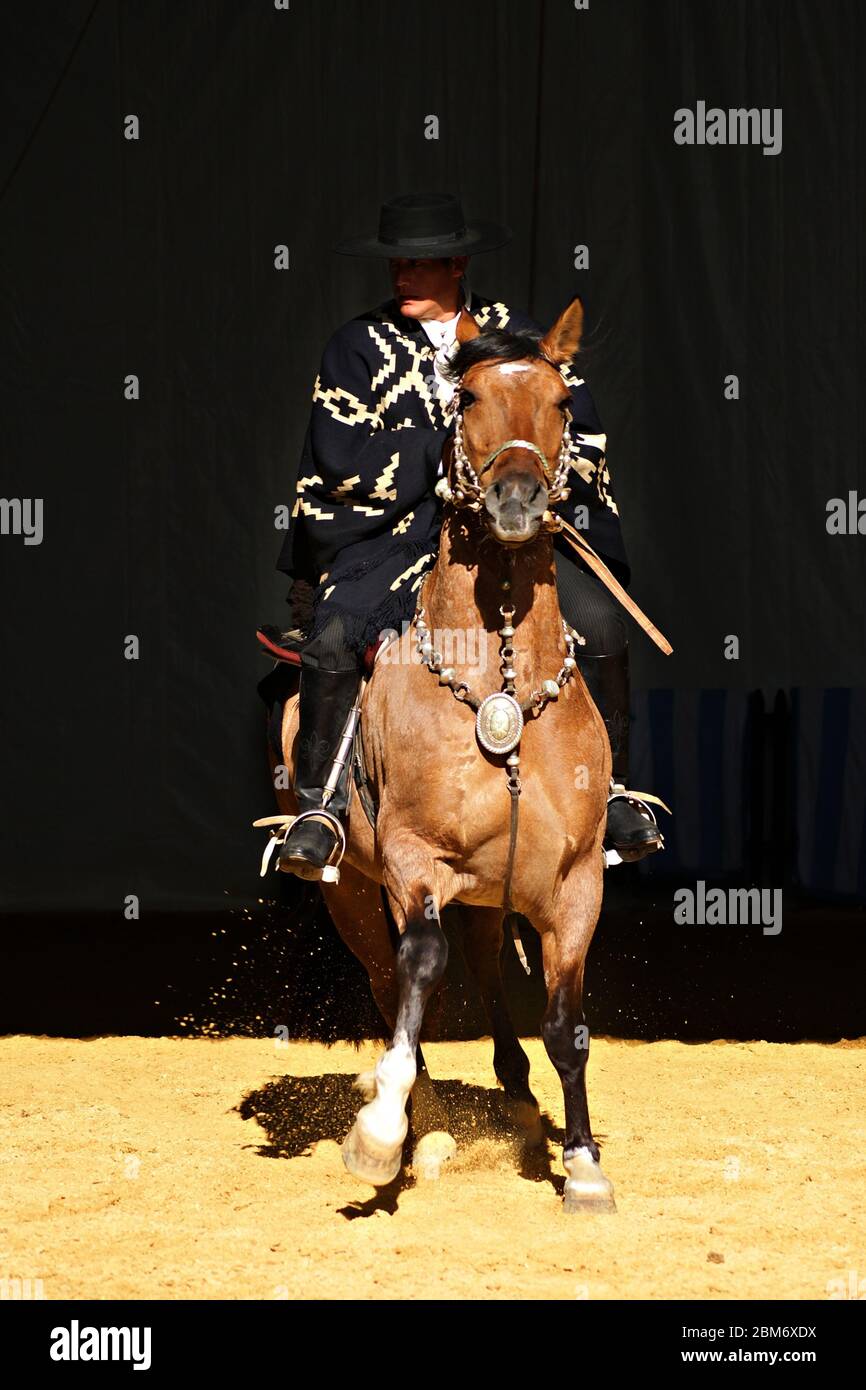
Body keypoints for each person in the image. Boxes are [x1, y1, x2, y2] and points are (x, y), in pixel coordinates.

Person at [274, 192, 665, 879]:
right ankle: (319, 809)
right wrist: (452, 455)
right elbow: (339, 457)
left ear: (457, 263)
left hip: (512, 534)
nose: (402, 277)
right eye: (397, 263)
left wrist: (533, 473)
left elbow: (584, 432)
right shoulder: (355, 347)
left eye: (419, 265)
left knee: (603, 625)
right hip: (396, 538)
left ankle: (616, 794)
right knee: (335, 635)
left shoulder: (520, 336)